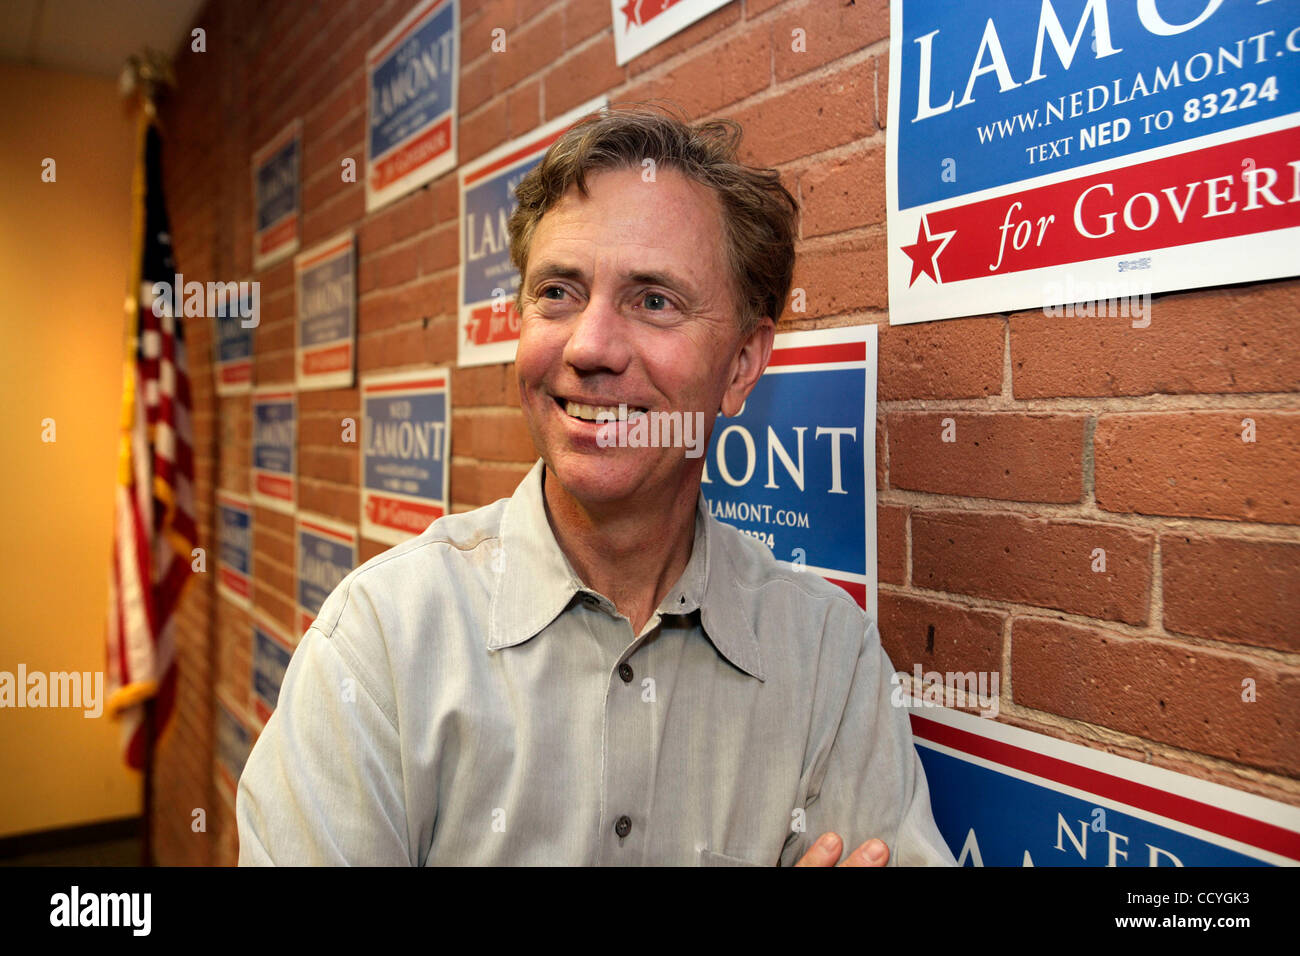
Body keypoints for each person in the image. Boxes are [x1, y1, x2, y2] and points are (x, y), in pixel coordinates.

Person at [236, 104, 956, 866]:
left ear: (742, 364)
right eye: (558, 292)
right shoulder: (381, 642)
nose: (589, 347)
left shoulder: (827, 662)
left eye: (653, 300)